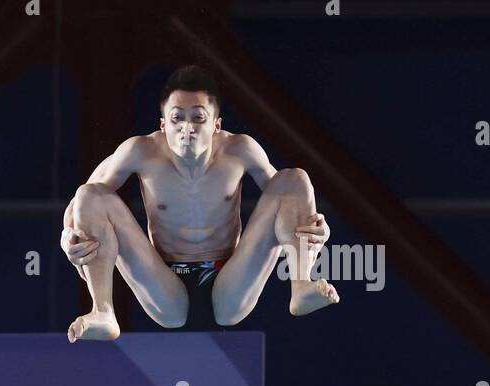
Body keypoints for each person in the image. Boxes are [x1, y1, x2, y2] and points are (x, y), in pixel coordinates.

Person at [61, 65, 336, 342]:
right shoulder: (139, 151)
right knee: (91, 195)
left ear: (216, 125)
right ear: (163, 124)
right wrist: (67, 238)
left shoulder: (240, 149)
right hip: (164, 287)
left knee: (295, 179)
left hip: (231, 284)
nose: (187, 127)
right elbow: (79, 204)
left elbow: (291, 200)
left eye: (198, 118)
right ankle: (103, 310)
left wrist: (316, 232)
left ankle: (302, 285)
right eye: (177, 118)